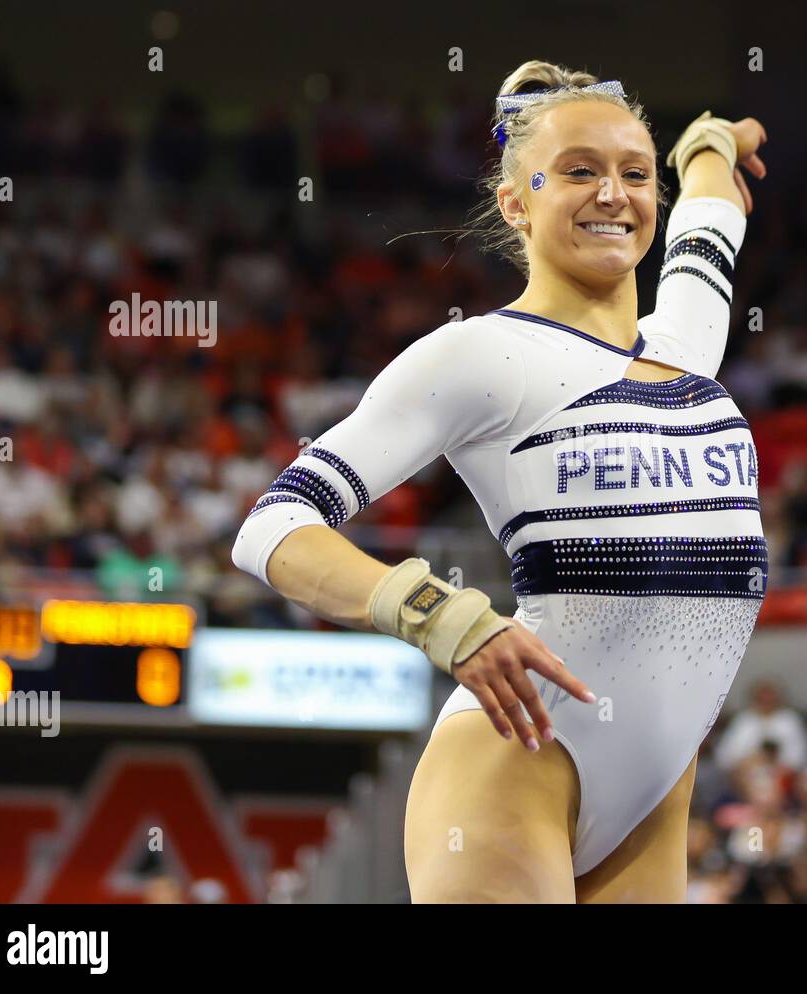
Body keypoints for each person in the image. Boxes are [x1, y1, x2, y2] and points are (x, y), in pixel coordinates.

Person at [231, 60, 768, 903]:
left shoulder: (687, 338)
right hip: (517, 759)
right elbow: (271, 528)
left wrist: (711, 146)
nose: (613, 195)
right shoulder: (480, 356)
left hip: (656, 794)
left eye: (633, 173)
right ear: (517, 201)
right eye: (580, 171)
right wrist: (440, 615)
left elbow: (709, 216)